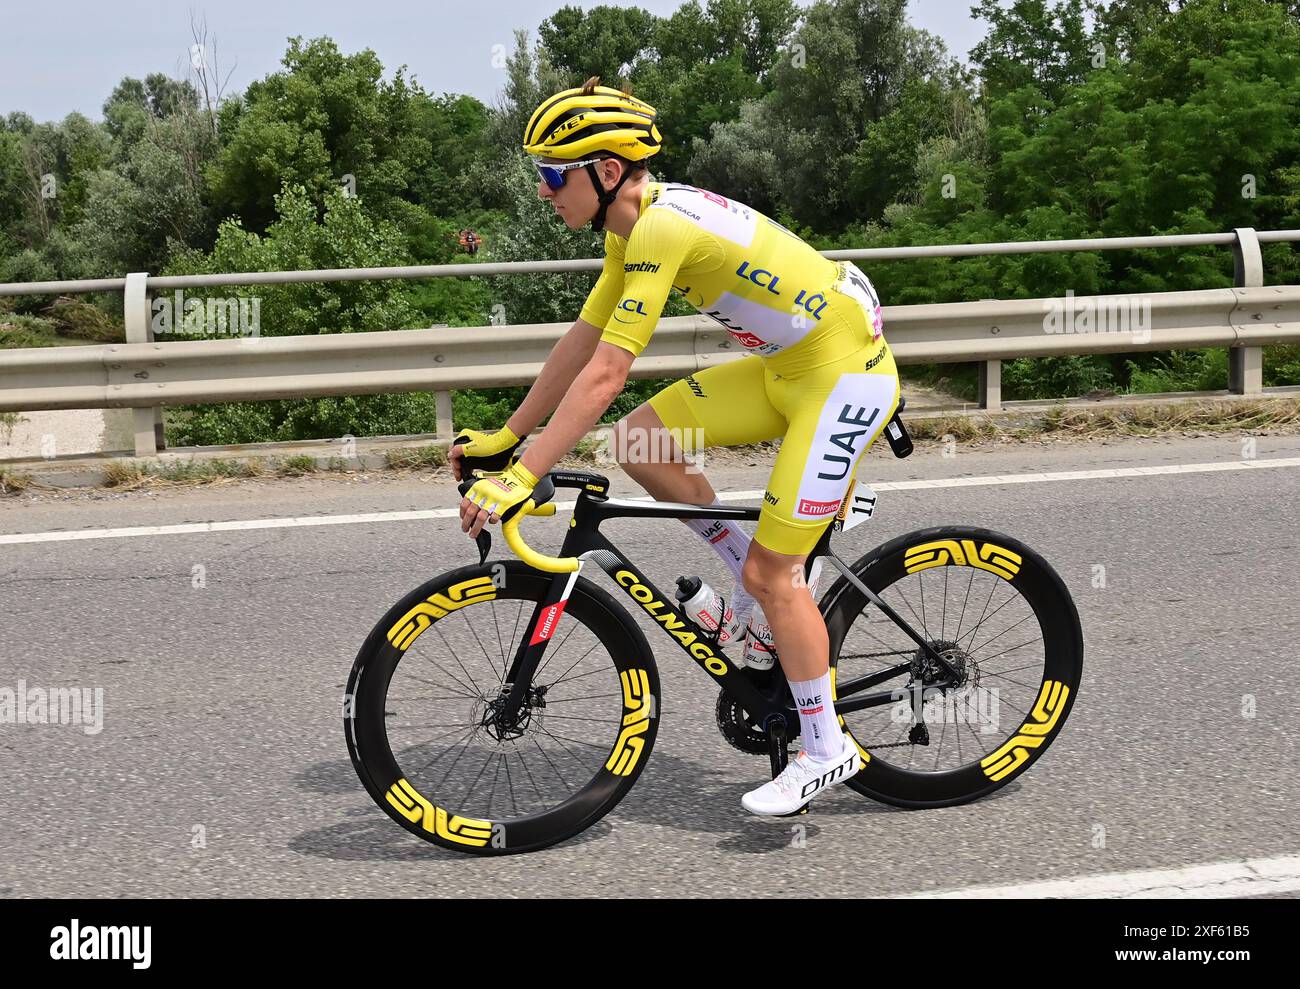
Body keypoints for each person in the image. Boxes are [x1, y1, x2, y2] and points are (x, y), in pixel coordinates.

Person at [452, 77, 900, 817]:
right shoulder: (631, 227)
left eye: (551, 174)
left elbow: (607, 373)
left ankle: (827, 747)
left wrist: (522, 475)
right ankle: (755, 606)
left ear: (604, 172)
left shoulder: (660, 227)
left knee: (773, 571)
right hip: (788, 370)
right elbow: (585, 340)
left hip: (843, 380)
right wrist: (508, 437)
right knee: (642, 441)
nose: (542, 191)